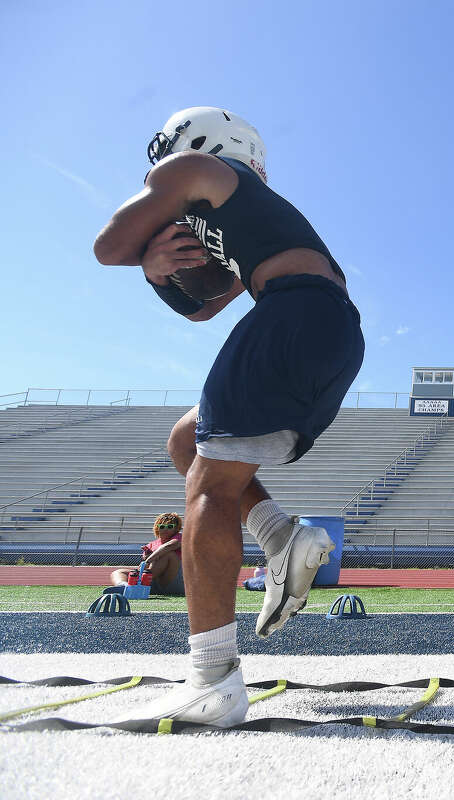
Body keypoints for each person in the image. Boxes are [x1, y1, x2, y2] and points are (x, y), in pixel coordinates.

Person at [94, 107, 365, 725]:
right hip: (328, 328)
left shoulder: (200, 167)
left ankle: (212, 677)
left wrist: (142, 256)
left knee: (208, 488)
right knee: (188, 441)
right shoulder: (254, 220)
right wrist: (162, 274)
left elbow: (107, 244)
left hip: (293, 313)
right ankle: (280, 536)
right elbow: (201, 308)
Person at [110, 512, 186, 595]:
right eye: (162, 527)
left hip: (174, 582)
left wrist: (149, 559)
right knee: (118, 572)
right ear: (157, 528)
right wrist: (137, 571)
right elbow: (144, 565)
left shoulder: (180, 537)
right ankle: (125, 587)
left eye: (170, 526)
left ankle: (138, 584)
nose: (165, 529)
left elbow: (168, 546)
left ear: (176, 529)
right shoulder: (151, 545)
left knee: (168, 554)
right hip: (152, 581)